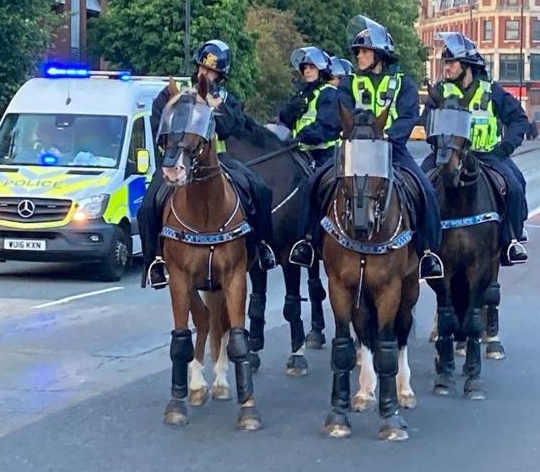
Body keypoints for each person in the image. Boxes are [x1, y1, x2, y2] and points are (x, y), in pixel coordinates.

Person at [295, 15, 446, 279]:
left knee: (426, 191)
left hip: (392, 152)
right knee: (313, 183)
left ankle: (427, 253)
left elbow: (408, 117)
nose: (358, 56)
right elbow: (341, 113)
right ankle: (307, 241)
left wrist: (388, 136)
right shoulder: (349, 83)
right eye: (357, 52)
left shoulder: (404, 84)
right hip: (353, 152)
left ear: (379, 54)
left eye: (363, 51)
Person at [139, 39, 277, 289]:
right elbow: (159, 120)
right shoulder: (176, 92)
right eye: (203, 67)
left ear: (220, 75)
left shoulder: (225, 99)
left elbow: (231, 127)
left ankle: (261, 246)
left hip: (217, 161)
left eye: (211, 71)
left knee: (260, 190)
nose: (205, 73)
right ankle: (155, 261)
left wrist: (214, 106)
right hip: (179, 159)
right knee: (149, 204)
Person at [424, 32, 530, 266]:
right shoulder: (440, 91)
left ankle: (511, 240)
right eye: (445, 63)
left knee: (515, 186)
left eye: (451, 63)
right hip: (448, 155)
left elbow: (519, 120)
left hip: (487, 155)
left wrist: (505, 147)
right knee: (421, 187)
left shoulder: (491, 91)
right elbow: (427, 119)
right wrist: (437, 141)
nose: (446, 67)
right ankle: (424, 249)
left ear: (467, 65)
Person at [277, 46, 345, 268]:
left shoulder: (329, 93)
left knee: (311, 187)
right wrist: (289, 111)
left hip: (324, 153)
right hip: (299, 151)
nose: (306, 70)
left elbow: (328, 126)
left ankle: (308, 239)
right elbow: (284, 121)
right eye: (304, 67)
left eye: (311, 67)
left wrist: (302, 136)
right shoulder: (301, 94)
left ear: (322, 70)